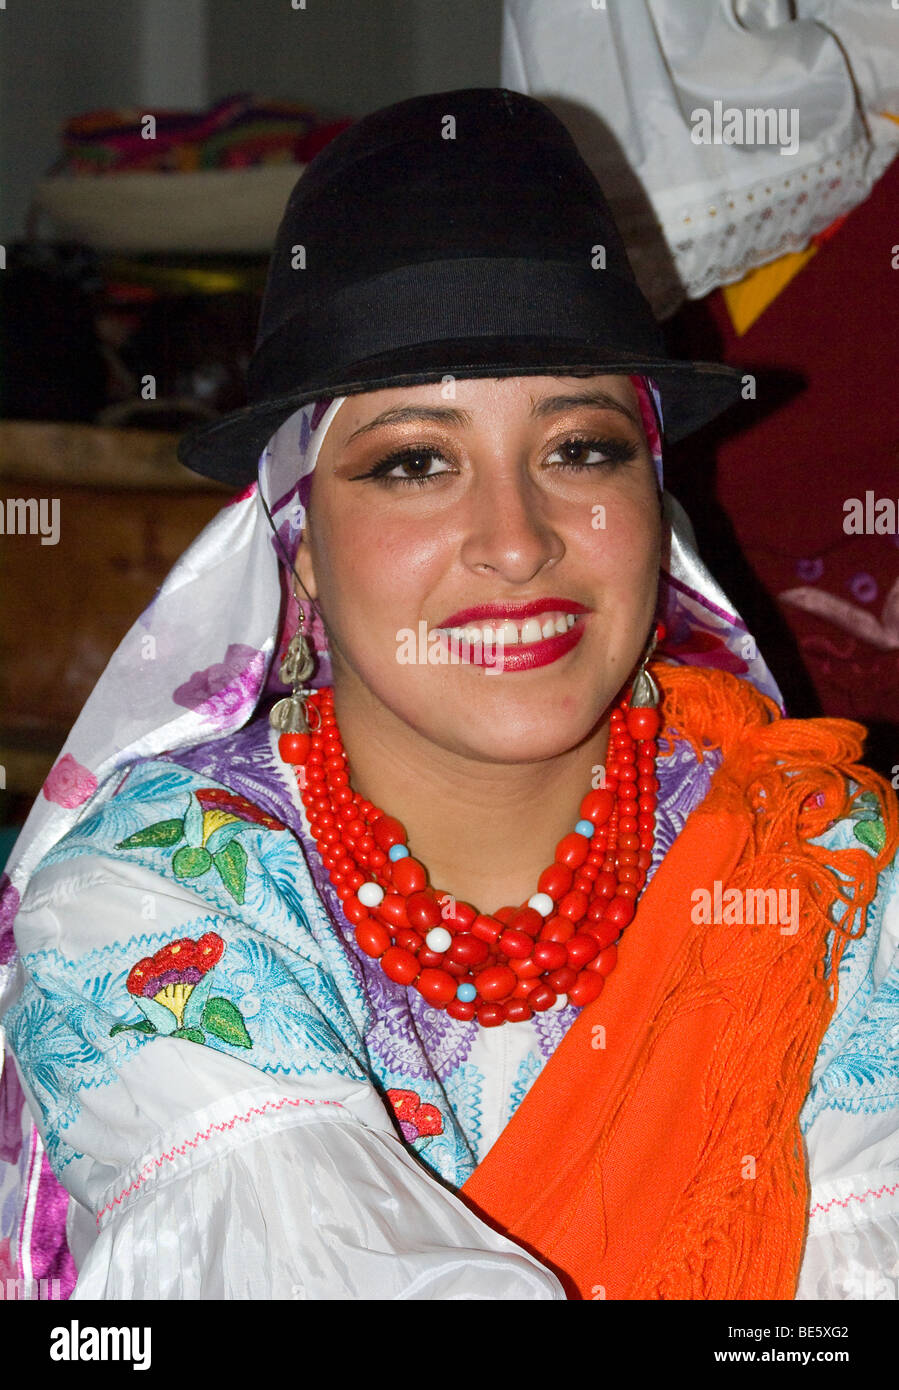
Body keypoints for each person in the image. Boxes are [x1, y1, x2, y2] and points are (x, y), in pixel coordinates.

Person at [0, 89, 896, 1301]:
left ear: (653, 498)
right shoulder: (141, 895)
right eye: (415, 462)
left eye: (578, 447)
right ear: (298, 542)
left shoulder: (823, 871)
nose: (515, 541)